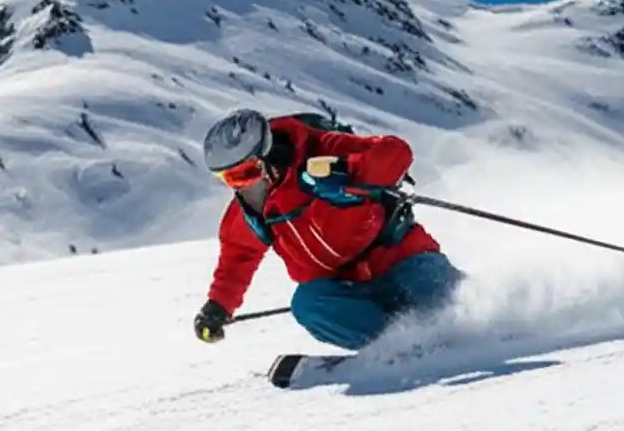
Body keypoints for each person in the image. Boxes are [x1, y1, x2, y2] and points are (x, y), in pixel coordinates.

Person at [193, 109, 462, 350]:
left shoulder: (320, 151)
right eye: (228, 178)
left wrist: (346, 171)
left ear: (268, 156)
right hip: (348, 291)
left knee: (451, 308)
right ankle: (395, 347)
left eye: (245, 173)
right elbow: (237, 260)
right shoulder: (249, 212)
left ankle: (481, 328)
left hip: (401, 261)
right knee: (308, 305)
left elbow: (396, 152)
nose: (240, 186)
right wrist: (217, 307)